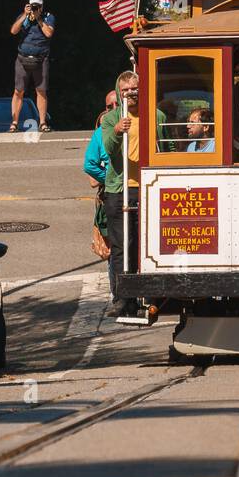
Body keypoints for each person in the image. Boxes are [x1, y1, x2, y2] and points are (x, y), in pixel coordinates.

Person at [101, 70, 141, 315]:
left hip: (146, 187)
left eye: (134, 88)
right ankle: (122, 297)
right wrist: (117, 130)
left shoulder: (153, 114)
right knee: (120, 246)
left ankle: (140, 294)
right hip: (119, 188)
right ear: (119, 92)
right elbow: (107, 147)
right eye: (125, 90)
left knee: (140, 245)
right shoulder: (111, 118)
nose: (130, 93)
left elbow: (167, 145)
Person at [83, 91, 118, 296]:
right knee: (112, 249)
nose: (113, 109)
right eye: (109, 106)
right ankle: (116, 293)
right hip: (108, 199)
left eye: (116, 105)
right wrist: (112, 178)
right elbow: (92, 178)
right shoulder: (99, 136)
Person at [10, 0, 55, 133]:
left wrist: (39, 19)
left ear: (42, 7)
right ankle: (14, 122)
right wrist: (25, 14)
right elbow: (13, 31)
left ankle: (42, 122)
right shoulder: (24, 17)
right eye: (33, 5)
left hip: (41, 59)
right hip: (23, 58)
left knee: (41, 91)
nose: (35, 8)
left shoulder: (48, 17)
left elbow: (49, 33)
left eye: (38, 6)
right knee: (18, 91)